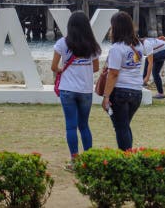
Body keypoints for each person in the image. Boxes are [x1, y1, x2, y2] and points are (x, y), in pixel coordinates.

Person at [50, 11, 101, 169]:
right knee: (84, 125)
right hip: (85, 90)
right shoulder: (92, 45)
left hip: (67, 89)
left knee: (71, 126)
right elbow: (96, 67)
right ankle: (89, 159)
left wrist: (63, 70)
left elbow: (53, 67)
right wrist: (82, 69)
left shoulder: (62, 43)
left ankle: (74, 160)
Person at [101, 11, 154, 150]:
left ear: (116, 28)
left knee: (121, 127)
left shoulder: (117, 48)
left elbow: (113, 74)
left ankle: (126, 158)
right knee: (124, 126)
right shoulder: (138, 46)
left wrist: (106, 96)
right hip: (136, 92)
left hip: (120, 92)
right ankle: (128, 154)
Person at [142, 32, 165, 99]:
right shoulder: (148, 41)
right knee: (155, 73)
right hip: (164, 51)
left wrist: (147, 78)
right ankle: (161, 93)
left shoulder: (147, 44)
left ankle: (144, 81)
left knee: (147, 61)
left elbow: (150, 63)